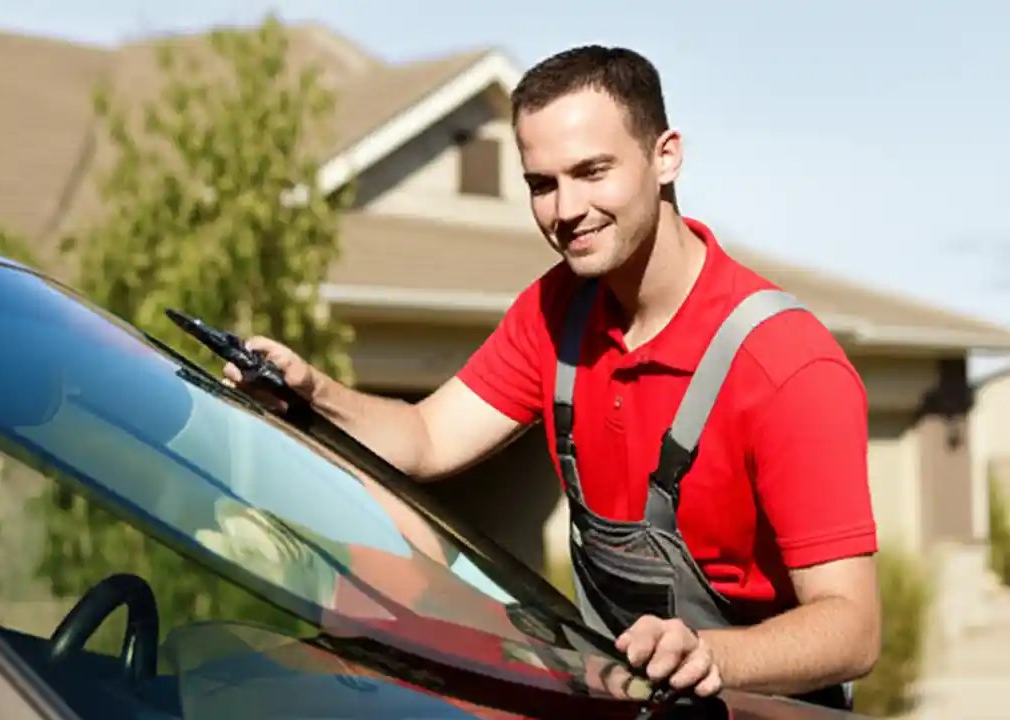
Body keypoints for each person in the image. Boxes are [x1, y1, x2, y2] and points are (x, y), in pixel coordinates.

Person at [224, 44, 881, 707]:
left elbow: (852, 628)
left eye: (592, 172)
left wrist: (710, 653)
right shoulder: (557, 313)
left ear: (666, 156)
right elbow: (425, 437)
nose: (566, 210)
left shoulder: (785, 365)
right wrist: (312, 392)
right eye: (543, 184)